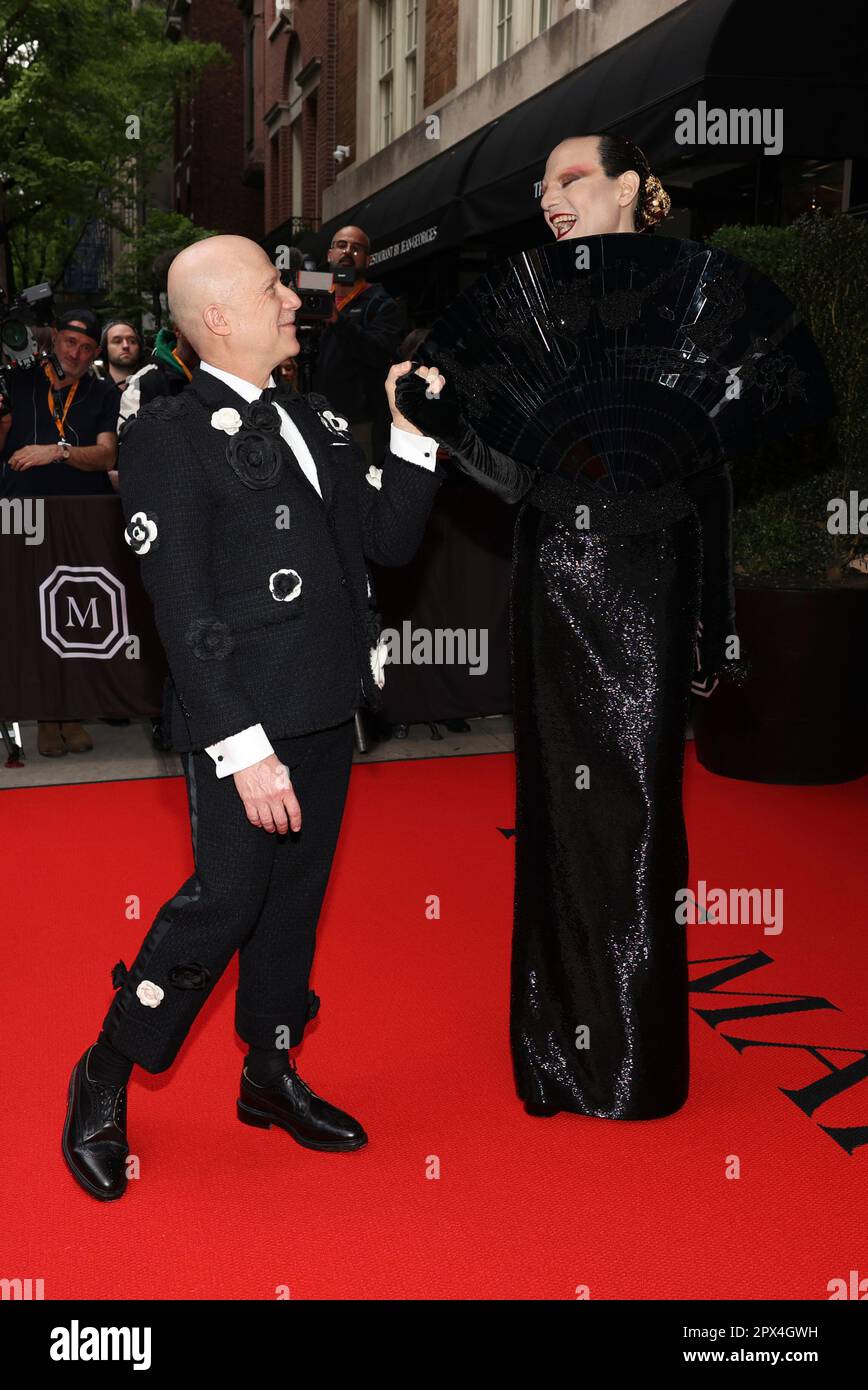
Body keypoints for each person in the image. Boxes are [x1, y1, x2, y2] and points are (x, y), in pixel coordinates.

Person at [61, 233, 443, 1201]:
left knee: (293, 906)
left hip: (325, 710)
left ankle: (267, 1071)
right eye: (274, 287)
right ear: (219, 318)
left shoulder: (313, 417)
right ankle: (106, 1069)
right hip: (244, 728)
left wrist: (409, 431)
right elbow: (183, 616)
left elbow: (390, 542)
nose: (294, 299)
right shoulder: (167, 435)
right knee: (226, 900)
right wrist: (243, 751)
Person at [394, 132, 748, 1123]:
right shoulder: (546, 308)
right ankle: (555, 1051)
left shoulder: (684, 301)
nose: (548, 196)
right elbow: (531, 477)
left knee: (628, 826)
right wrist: (451, 419)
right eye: (542, 183)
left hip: (634, 592)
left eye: (571, 177)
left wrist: (714, 624)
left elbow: (697, 478)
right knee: (554, 815)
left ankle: (629, 1068)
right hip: (550, 582)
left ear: (634, 188)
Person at [0, 307, 120, 758]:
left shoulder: (103, 391)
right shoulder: (18, 379)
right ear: (53, 338)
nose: (77, 353)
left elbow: (107, 456)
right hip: (20, 511)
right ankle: (46, 715)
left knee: (78, 612)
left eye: (88, 347)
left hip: (82, 515)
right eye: (71, 342)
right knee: (29, 614)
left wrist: (58, 451)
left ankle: (73, 710)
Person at [312, 225, 406, 467]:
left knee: (357, 487)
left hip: (359, 421)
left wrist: (337, 320)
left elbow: (378, 352)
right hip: (314, 416)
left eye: (356, 249)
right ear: (329, 254)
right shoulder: (315, 290)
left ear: (368, 259)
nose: (347, 252)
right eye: (341, 245)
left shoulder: (381, 303)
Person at [99, 319, 143, 392]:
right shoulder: (96, 393)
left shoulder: (154, 388)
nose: (126, 346)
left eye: (132, 341)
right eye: (117, 341)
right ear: (105, 348)